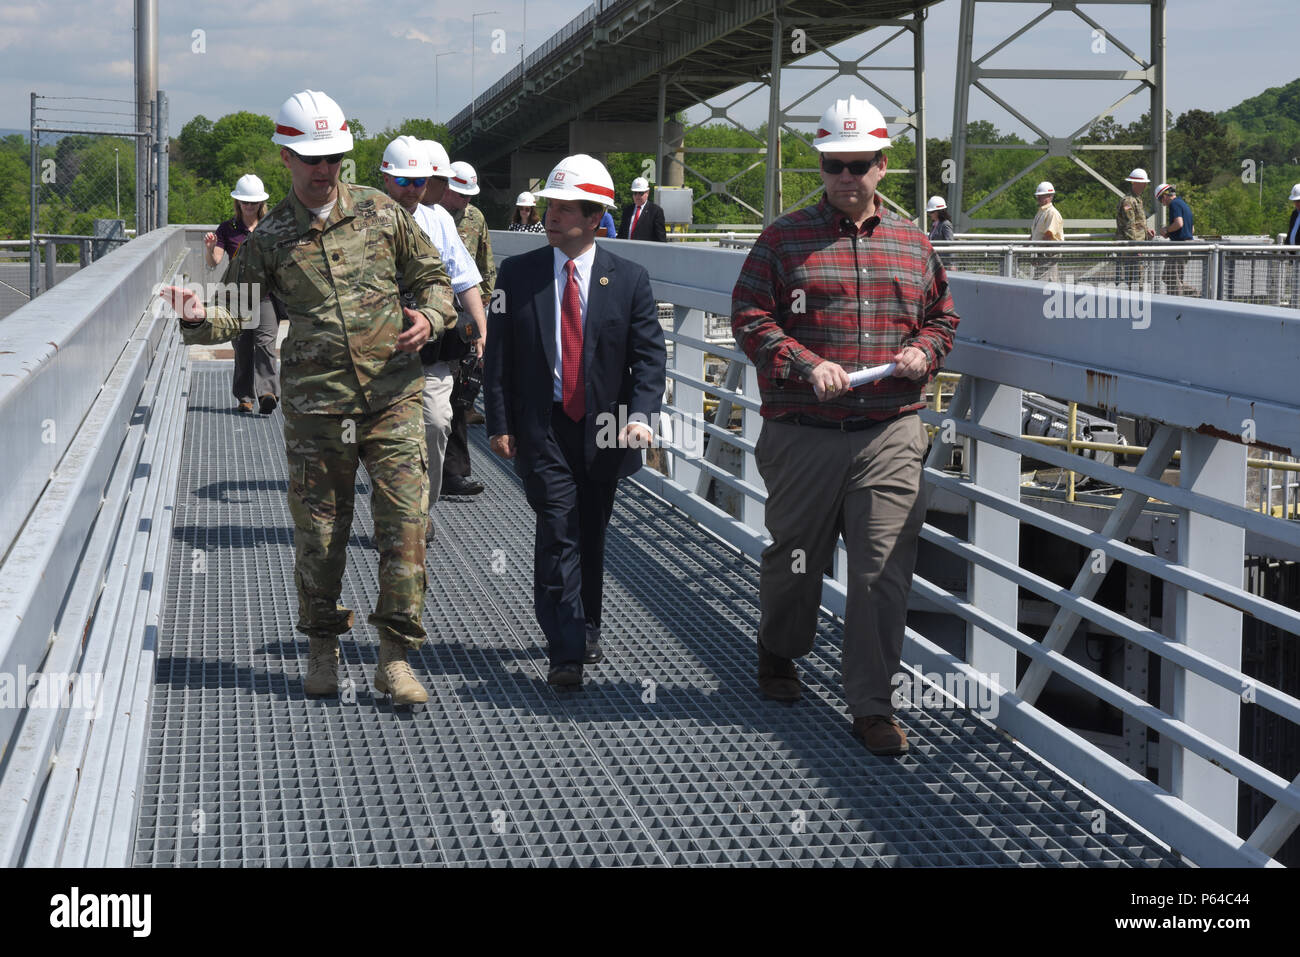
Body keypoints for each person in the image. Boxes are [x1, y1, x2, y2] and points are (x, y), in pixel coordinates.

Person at [160, 90, 461, 707]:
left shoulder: (382, 213)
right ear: (285, 159)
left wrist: (431, 317)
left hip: (393, 398)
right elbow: (236, 314)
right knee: (321, 535)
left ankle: (394, 659)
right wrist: (195, 316)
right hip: (317, 411)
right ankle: (322, 648)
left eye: (332, 157)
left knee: (406, 525)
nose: (323, 170)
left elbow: (435, 279)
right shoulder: (269, 239)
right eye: (309, 158)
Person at [731, 94, 959, 756]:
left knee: (880, 570)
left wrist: (928, 350)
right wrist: (803, 363)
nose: (846, 177)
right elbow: (749, 312)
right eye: (834, 165)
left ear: (884, 166)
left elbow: (943, 316)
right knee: (794, 561)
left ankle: (872, 703)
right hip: (804, 427)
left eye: (859, 164)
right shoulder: (783, 237)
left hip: (890, 428)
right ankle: (779, 649)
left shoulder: (915, 243)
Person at [484, 154, 666, 689]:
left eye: (564, 210)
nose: (552, 218)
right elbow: (499, 356)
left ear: (594, 220)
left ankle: (587, 625)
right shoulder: (517, 275)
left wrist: (640, 417)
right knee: (557, 528)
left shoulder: (629, 279)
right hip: (542, 427)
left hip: (605, 431)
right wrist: (499, 421)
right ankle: (563, 649)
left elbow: (649, 357)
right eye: (550, 208)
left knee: (590, 531)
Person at [382, 137, 488, 540]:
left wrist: (481, 327)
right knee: (381, 443)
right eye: (403, 180)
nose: (412, 189)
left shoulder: (438, 220)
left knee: (437, 423)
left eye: (419, 181)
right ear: (386, 178)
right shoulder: (364, 219)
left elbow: (465, 278)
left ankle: (420, 510)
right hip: (378, 354)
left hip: (431, 353)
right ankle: (395, 517)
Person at [437, 160, 495, 491]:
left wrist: (484, 311)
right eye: (461, 194)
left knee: (460, 390)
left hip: (463, 313)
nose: (466, 201)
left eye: (470, 195)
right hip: (428, 312)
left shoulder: (476, 219)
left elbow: (485, 263)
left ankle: (454, 472)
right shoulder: (426, 214)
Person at [204, 173, 282, 414]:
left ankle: (267, 393)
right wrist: (209, 248)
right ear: (238, 202)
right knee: (243, 347)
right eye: (245, 202)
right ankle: (245, 397)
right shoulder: (228, 229)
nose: (249, 206)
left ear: (261, 203)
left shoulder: (271, 225)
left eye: (254, 202)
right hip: (237, 296)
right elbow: (214, 262)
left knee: (266, 343)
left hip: (265, 295)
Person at [1115, 167, 1154, 289]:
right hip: (1132, 248)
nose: (1144, 186)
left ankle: (1136, 302)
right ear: (1135, 183)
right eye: (1143, 184)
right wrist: (1136, 246)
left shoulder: (1137, 200)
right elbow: (1129, 226)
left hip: (1136, 246)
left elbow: (1138, 222)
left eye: (1145, 184)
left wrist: (1146, 231)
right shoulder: (1129, 201)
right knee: (1131, 279)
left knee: (1137, 278)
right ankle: (1131, 304)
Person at [1155, 182, 1196, 296]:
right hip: (1185, 245)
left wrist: (1167, 230)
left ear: (1164, 196)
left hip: (1179, 247)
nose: (1162, 204)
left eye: (1160, 200)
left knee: (1174, 279)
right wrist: (1171, 232)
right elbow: (1192, 229)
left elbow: (1179, 223)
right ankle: (1192, 294)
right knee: (1168, 277)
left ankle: (1193, 295)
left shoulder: (1174, 204)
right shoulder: (1183, 204)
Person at [1030, 181, 1063, 281]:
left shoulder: (1052, 213)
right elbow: (1035, 234)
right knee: (1045, 282)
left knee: (1043, 282)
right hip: (1042, 253)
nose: (1039, 198)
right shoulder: (1042, 212)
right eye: (1038, 196)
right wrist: (1027, 248)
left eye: (1042, 196)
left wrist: (1036, 252)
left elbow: (1049, 234)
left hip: (1047, 254)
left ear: (1050, 196)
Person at [617, 176, 667, 242]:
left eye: (641, 193)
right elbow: (621, 235)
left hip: (646, 251)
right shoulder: (627, 211)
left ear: (647, 192)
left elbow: (661, 238)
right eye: (635, 193)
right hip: (627, 250)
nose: (637, 196)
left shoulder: (656, 211)